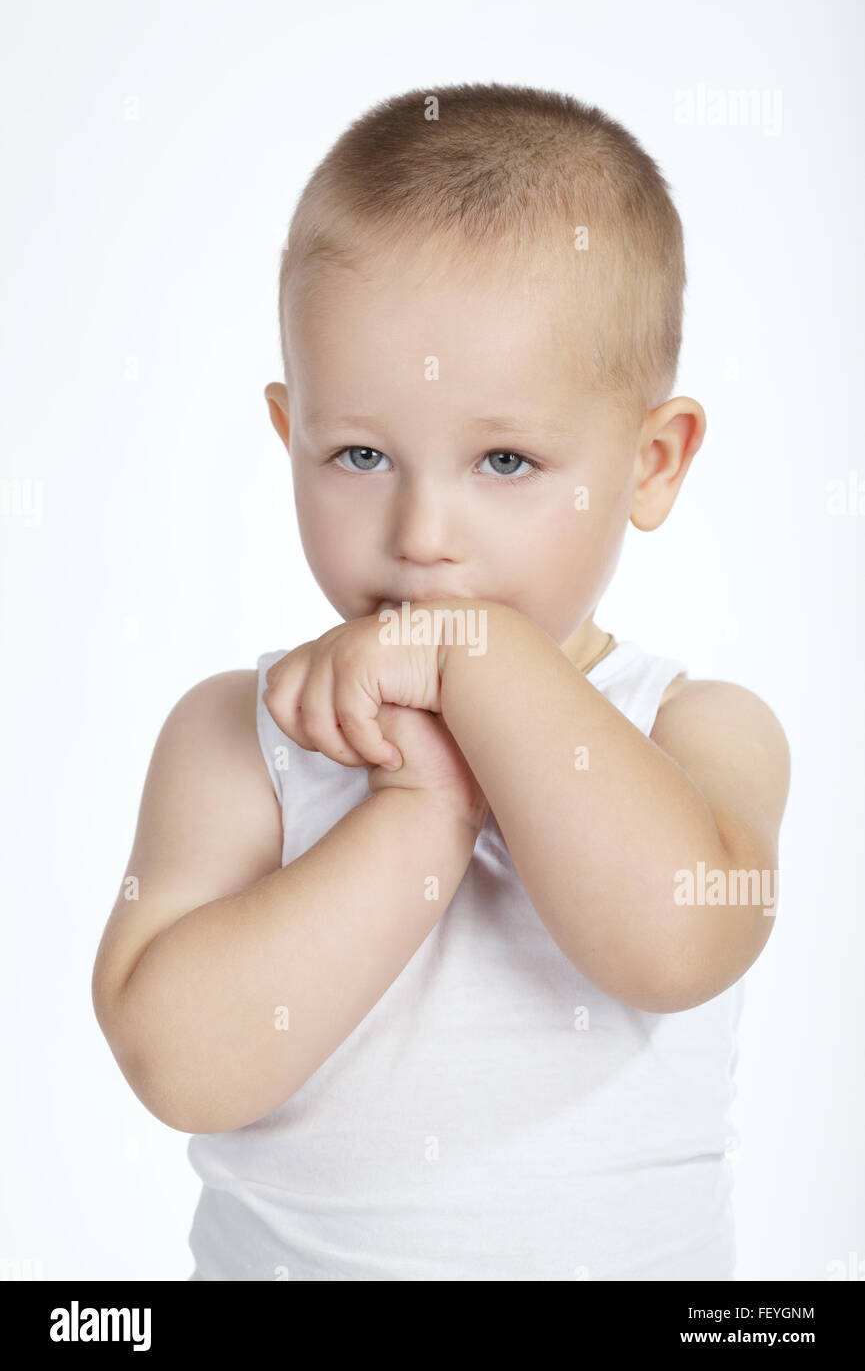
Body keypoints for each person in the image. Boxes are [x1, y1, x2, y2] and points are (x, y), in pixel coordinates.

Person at [91, 82, 790, 1281]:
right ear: (289, 435)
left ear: (652, 462)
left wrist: (485, 665)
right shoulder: (237, 735)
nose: (421, 531)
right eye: (359, 453)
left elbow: (674, 943)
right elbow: (177, 1064)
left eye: (504, 459)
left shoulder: (694, 727)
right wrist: (420, 813)